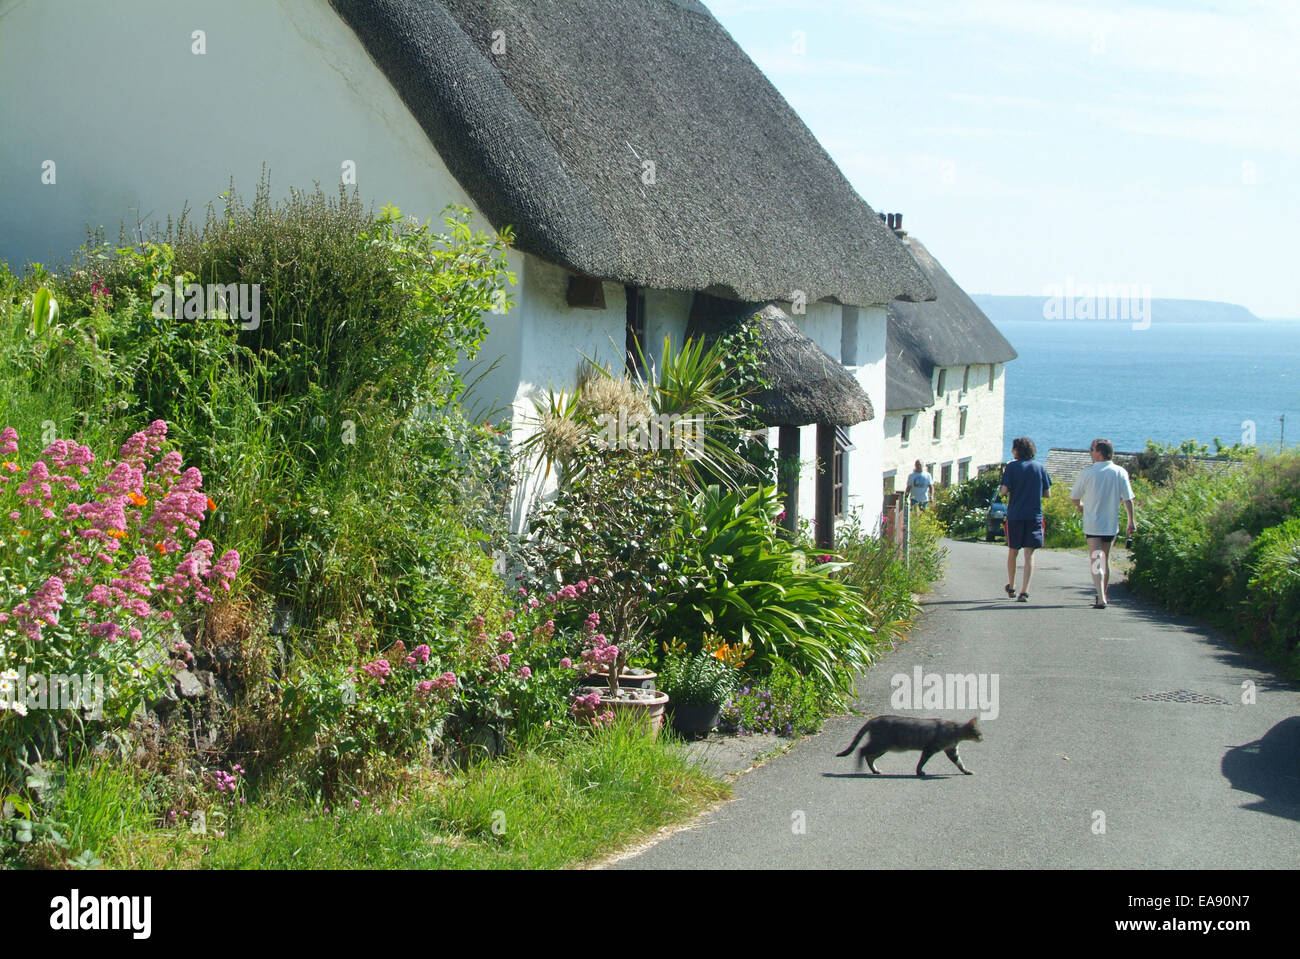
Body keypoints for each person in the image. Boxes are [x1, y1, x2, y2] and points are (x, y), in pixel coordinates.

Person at [1070, 438, 1136, 609]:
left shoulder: (1088, 473)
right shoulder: (1120, 472)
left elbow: (1075, 497)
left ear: (1099, 452)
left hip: (1093, 523)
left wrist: (1080, 507)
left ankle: (1100, 596)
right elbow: (1128, 499)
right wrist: (1131, 520)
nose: (1090, 453)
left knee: (1096, 559)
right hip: (1110, 523)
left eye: (1092, 449)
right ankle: (1103, 593)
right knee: (1104, 559)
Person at [999, 437, 1051, 602]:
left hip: (1015, 515)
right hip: (1034, 515)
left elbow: (1004, 491)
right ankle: (1025, 590)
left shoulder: (1012, 467)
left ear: (1017, 450)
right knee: (1029, 554)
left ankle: (1012, 586)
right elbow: (1047, 493)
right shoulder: (1039, 467)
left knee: (1013, 551)